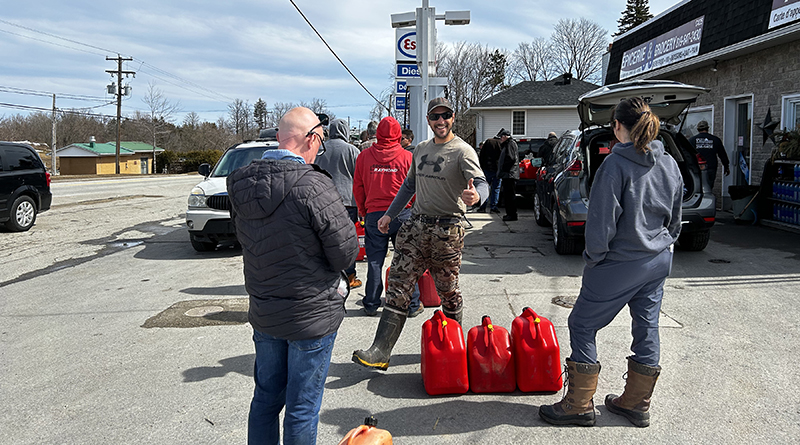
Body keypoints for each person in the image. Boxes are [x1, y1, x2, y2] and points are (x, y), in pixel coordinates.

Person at [539, 97, 683, 428]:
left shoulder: (614, 166)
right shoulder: (670, 164)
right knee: (646, 325)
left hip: (620, 262)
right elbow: (675, 219)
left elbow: (602, 224)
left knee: (582, 324)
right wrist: (662, 243)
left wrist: (593, 259)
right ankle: (635, 403)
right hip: (658, 259)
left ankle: (578, 405)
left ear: (618, 127)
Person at [227, 107, 359, 444]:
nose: (321, 150)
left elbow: (246, 239)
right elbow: (345, 253)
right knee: (302, 407)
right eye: (321, 143)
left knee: (266, 400)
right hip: (310, 313)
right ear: (311, 139)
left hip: (266, 311)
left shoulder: (240, 183)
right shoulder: (313, 185)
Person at [352, 97, 489, 370]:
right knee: (398, 284)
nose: (441, 121)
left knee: (447, 292)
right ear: (428, 120)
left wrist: (477, 197)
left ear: (453, 117)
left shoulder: (463, 151)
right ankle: (380, 351)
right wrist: (390, 214)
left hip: (447, 229)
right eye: (435, 117)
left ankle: (452, 350)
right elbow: (408, 186)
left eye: (446, 115)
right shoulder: (421, 149)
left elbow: (482, 183)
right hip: (416, 226)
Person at [354, 116, 423, 318]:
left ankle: (371, 303)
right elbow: (415, 189)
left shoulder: (364, 157)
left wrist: (363, 211)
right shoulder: (407, 157)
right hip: (403, 214)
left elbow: (358, 187)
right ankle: (412, 304)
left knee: (375, 260)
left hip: (375, 215)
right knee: (407, 260)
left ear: (378, 134)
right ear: (398, 135)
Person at [314, 118, 363, 288]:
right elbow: (359, 178)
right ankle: (349, 276)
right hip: (347, 201)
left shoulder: (320, 150)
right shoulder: (353, 151)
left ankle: (327, 276)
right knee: (347, 240)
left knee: (323, 239)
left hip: (322, 201)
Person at [688, 120, 730, 191]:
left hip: (697, 168)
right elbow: (722, 155)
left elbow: (687, 155)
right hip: (711, 167)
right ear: (707, 128)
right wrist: (726, 166)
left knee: (696, 188)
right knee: (708, 187)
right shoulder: (715, 140)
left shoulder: (692, 140)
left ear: (698, 129)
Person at [497, 129, 519, 222]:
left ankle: (511, 214)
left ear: (506, 136)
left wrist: (504, 169)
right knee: (509, 195)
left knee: (509, 196)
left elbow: (511, 158)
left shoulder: (510, 144)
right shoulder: (509, 144)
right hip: (509, 174)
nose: (501, 139)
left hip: (509, 175)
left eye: (502, 137)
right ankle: (510, 214)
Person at [478, 134, 503, 214]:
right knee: (496, 189)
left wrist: (481, 167)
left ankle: (483, 207)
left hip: (487, 168)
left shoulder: (488, 142)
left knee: (485, 187)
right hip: (497, 170)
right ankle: (493, 207)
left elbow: (481, 155)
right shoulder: (500, 144)